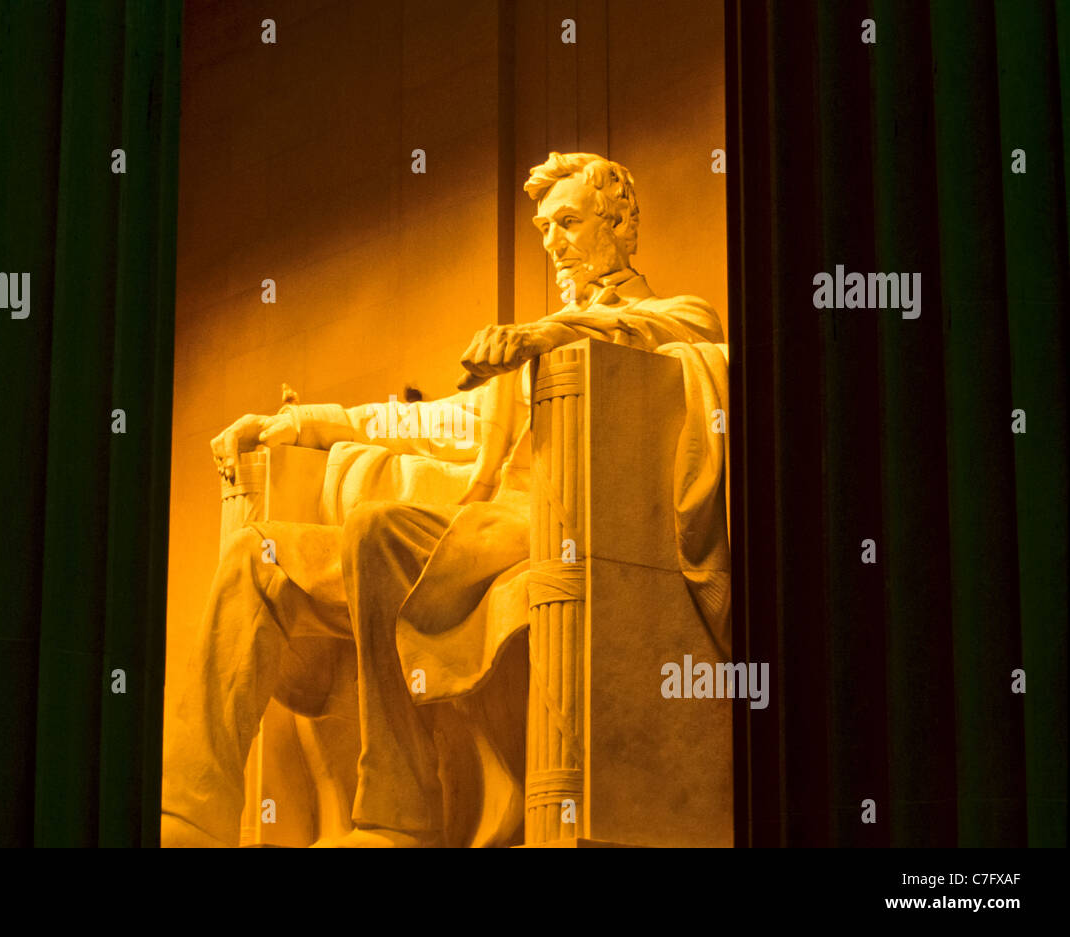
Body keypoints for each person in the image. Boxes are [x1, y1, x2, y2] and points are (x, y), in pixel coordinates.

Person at [161, 152, 730, 847]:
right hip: (466, 535)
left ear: (621, 223)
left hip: (558, 529)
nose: (552, 240)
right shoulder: (522, 354)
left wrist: (551, 333)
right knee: (261, 552)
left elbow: (684, 334)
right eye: (546, 226)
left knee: (378, 531)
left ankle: (400, 811)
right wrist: (298, 422)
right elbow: (416, 423)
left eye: (570, 222)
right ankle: (188, 814)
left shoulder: (666, 320)